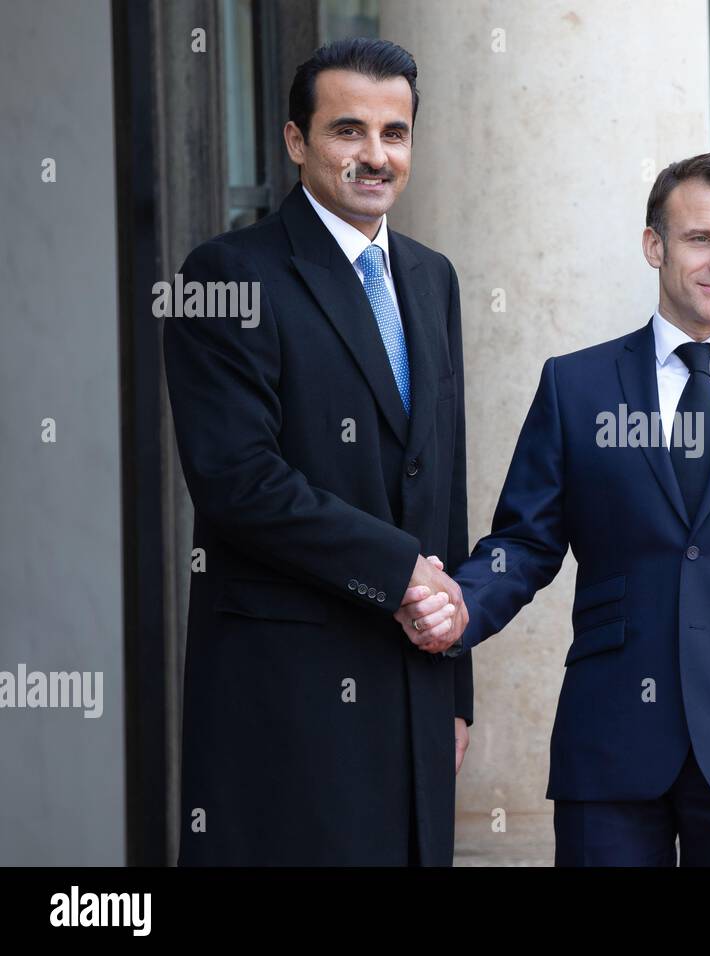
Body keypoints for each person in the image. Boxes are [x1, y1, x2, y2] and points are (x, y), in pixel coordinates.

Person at [399, 153, 710, 866]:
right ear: (654, 245)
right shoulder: (577, 386)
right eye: (700, 239)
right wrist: (463, 607)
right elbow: (526, 543)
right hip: (611, 738)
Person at [163, 38, 470, 865]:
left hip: (416, 681)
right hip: (287, 689)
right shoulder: (226, 274)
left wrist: (457, 686)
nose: (375, 156)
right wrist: (405, 572)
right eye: (348, 131)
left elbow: (444, 485)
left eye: (395, 133)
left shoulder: (432, 278)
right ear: (296, 141)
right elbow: (241, 481)